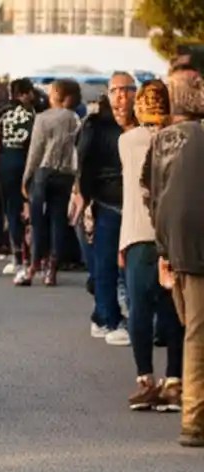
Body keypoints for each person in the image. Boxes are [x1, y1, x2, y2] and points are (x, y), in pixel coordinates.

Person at [144, 76, 204, 447]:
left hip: (178, 244)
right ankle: (194, 420)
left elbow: (152, 195)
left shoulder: (162, 140)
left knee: (194, 328)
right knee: (198, 332)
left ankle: (195, 417)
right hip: (195, 241)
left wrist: (163, 249)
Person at [119, 80, 184, 412]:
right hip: (174, 236)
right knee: (173, 310)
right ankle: (174, 381)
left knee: (140, 310)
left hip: (138, 236)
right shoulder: (183, 139)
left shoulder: (127, 141)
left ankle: (145, 379)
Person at [78, 73, 136, 343]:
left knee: (131, 267)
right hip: (106, 203)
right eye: (116, 90)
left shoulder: (142, 122)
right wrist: (84, 200)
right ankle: (107, 318)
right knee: (105, 265)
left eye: (127, 89)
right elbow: (84, 165)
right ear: (108, 94)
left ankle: (113, 316)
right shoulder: (96, 125)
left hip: (136, 206)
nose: (122, 95)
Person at [20, 78, 81, 287]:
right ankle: (52, 269)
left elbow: (35, 151)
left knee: (37, 221)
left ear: (57, 95)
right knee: (58, 220)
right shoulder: (76, 118)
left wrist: (26, 178)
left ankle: (33, 265)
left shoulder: (43, 118)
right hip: (66, 174)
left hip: (44, 172)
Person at [0, 79, 37, 277]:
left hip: (5, 160)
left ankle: (17, 255)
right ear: (24, 93)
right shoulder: (31, 113)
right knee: (30, 207)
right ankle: (34, 255)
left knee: (11, 208)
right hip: (26, 159)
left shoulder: (1, 111)